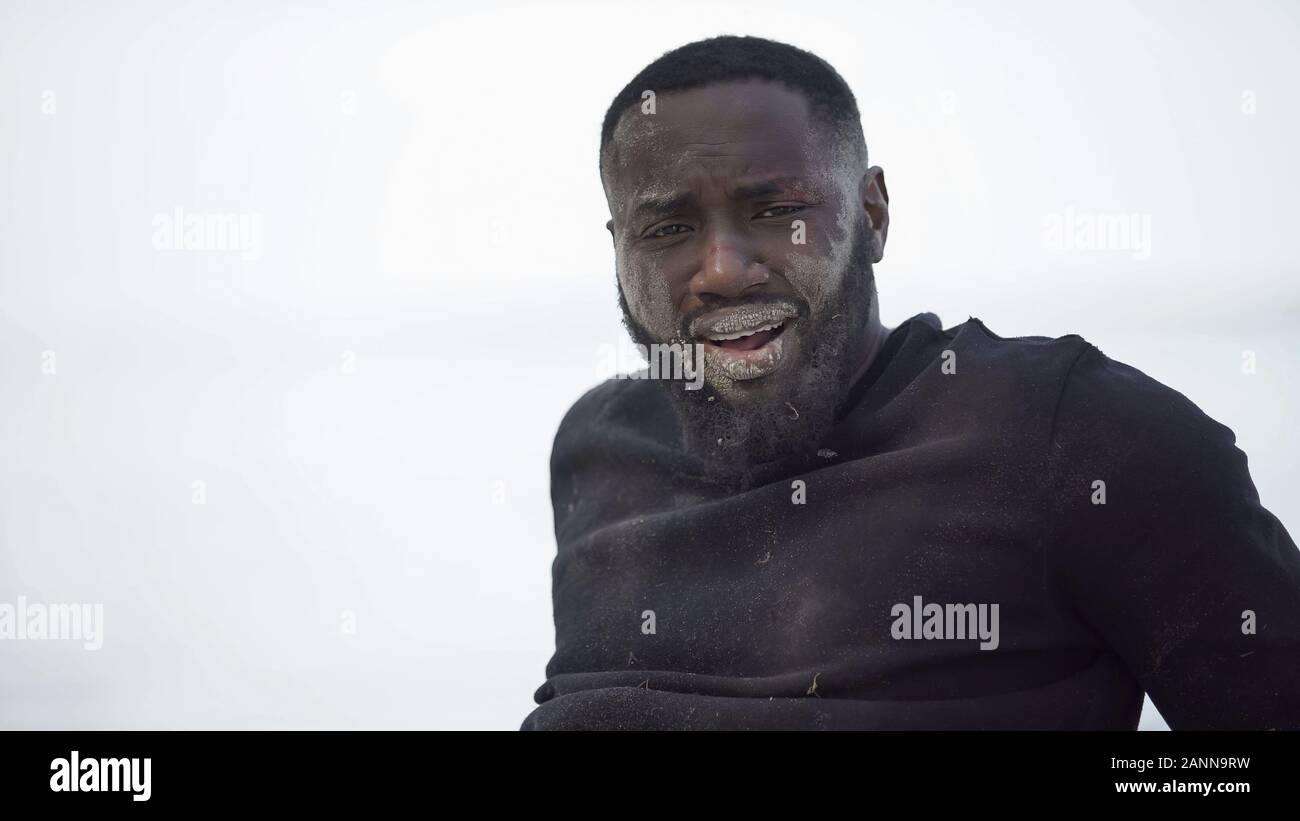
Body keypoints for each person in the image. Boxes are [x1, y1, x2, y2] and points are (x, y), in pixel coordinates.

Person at [521, 35, 1300, 730]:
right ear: (618, 250)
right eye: (669, 229)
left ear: (873, 215)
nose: (723, 269)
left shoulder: (1073, 430)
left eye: (777, 209)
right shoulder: (598, 447)